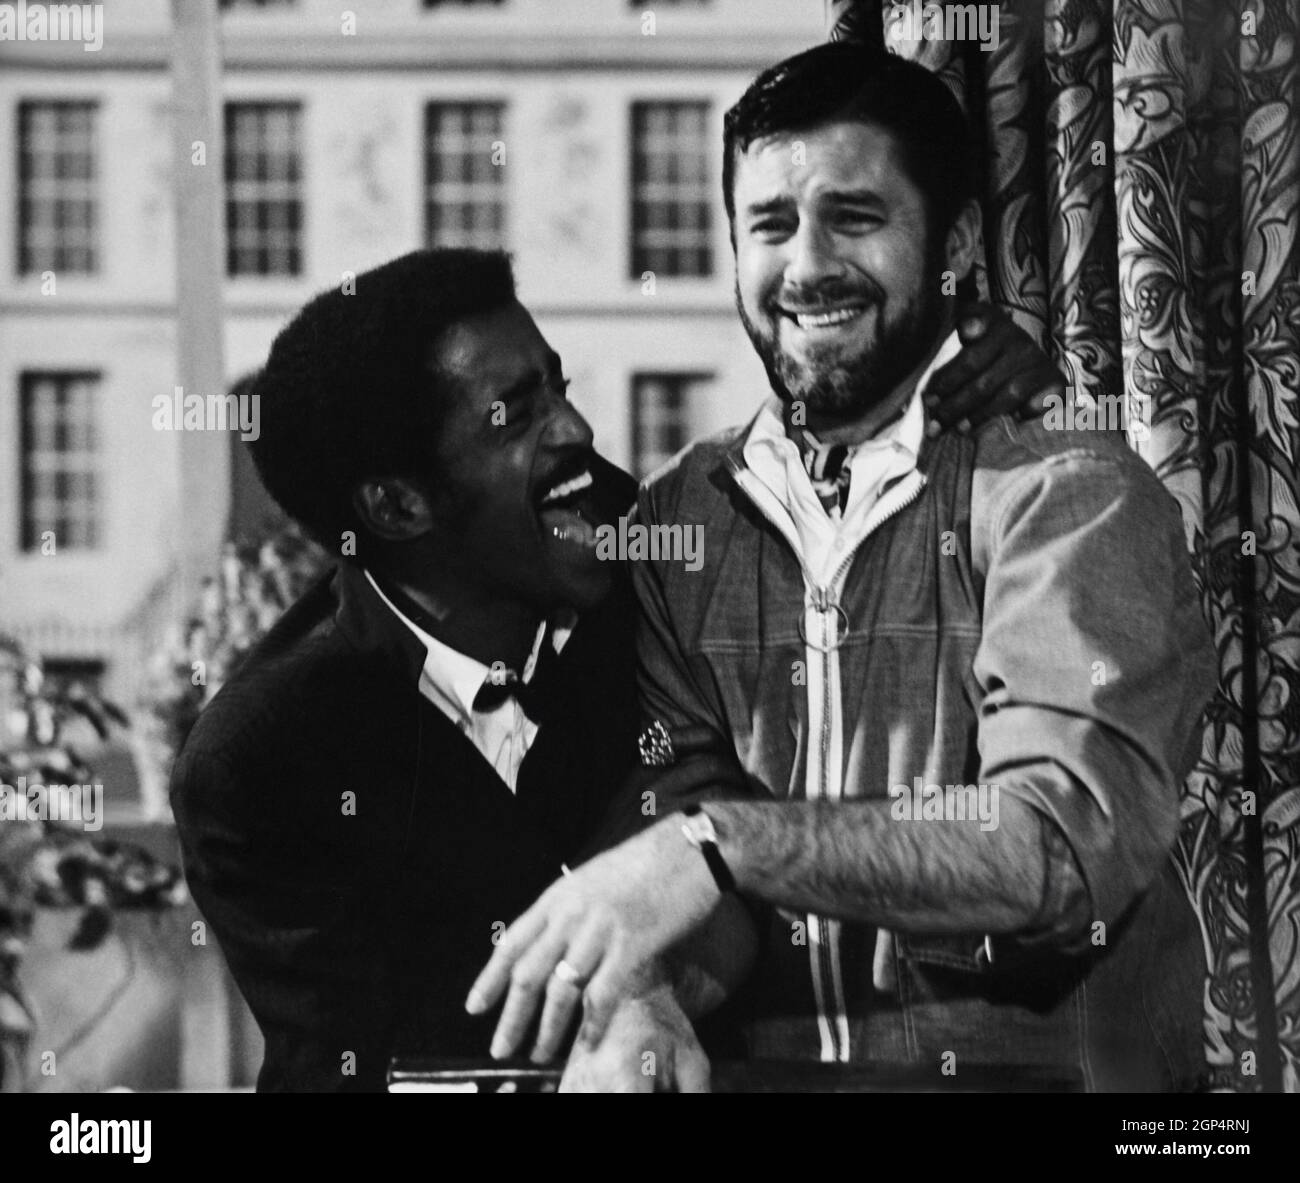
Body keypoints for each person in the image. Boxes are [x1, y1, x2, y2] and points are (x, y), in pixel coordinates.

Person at [468, 43, 1219, 1093]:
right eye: (770, 225)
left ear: (952, 240)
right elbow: (675, 815)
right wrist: (646, 992)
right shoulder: (682, 518)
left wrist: (720, 843)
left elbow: (1060, 845)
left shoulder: (1068, 498)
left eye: (854, 219)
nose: (808, 264)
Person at [170, 246, 1060, 1092]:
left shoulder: (653, 562)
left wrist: (960, 384)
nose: (579, 428)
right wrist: (624, 1003)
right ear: (398, 505)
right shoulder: (261, 756)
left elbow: (717, 809)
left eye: (556, 385)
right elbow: (419, 1053)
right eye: (515, 415)